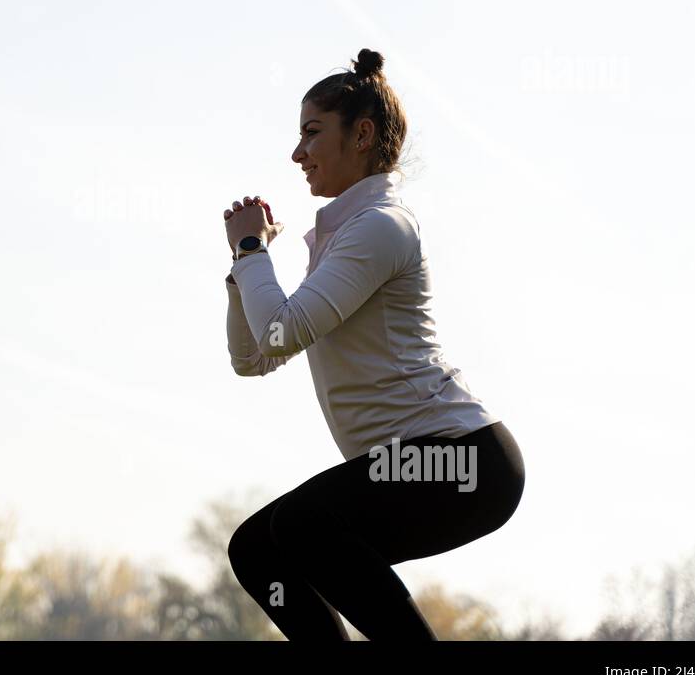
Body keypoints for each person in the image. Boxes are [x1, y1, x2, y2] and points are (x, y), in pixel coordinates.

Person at [222, 49, 525, 641]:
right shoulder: (342, 240)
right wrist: (243, 270)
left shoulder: (382, 225)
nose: (297, 153)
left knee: (306, 527)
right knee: (259, 549)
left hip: (466, 460)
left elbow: (281, 331)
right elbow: (254, 357)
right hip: (421, 463)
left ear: (361, 135)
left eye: (312, 133)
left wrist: (254, 252)